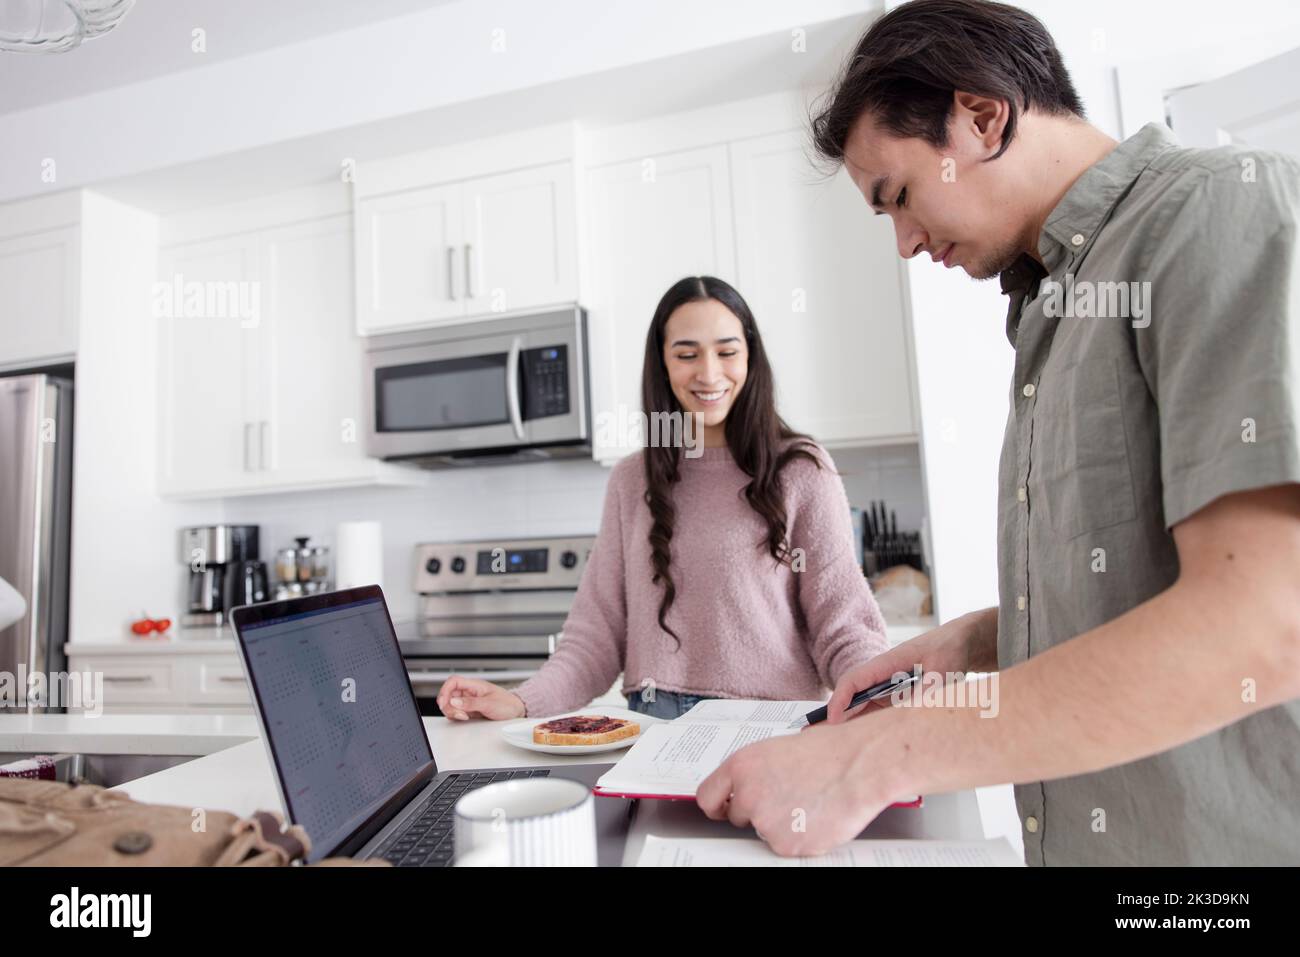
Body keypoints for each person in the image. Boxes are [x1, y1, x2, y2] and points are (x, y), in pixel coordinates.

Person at [698, 0, 1300, 865]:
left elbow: (1265, 620)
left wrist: (864, 762)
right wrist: (969, 644)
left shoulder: (1213, 215)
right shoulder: (1048, 307)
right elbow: (1125, 576)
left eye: (898, 196)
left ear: (981, 116)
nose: (904, 242)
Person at [437, 275, 890, 721]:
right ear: (663, 363)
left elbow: (843, 622)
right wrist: (521, 701)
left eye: (727, 351)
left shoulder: (801, 470)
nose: (709, 372)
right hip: (654, 728)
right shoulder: (631, 480)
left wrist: (876, 692)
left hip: (771, 727)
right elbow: (595, 638)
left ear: (750, 356)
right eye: (687, 354)